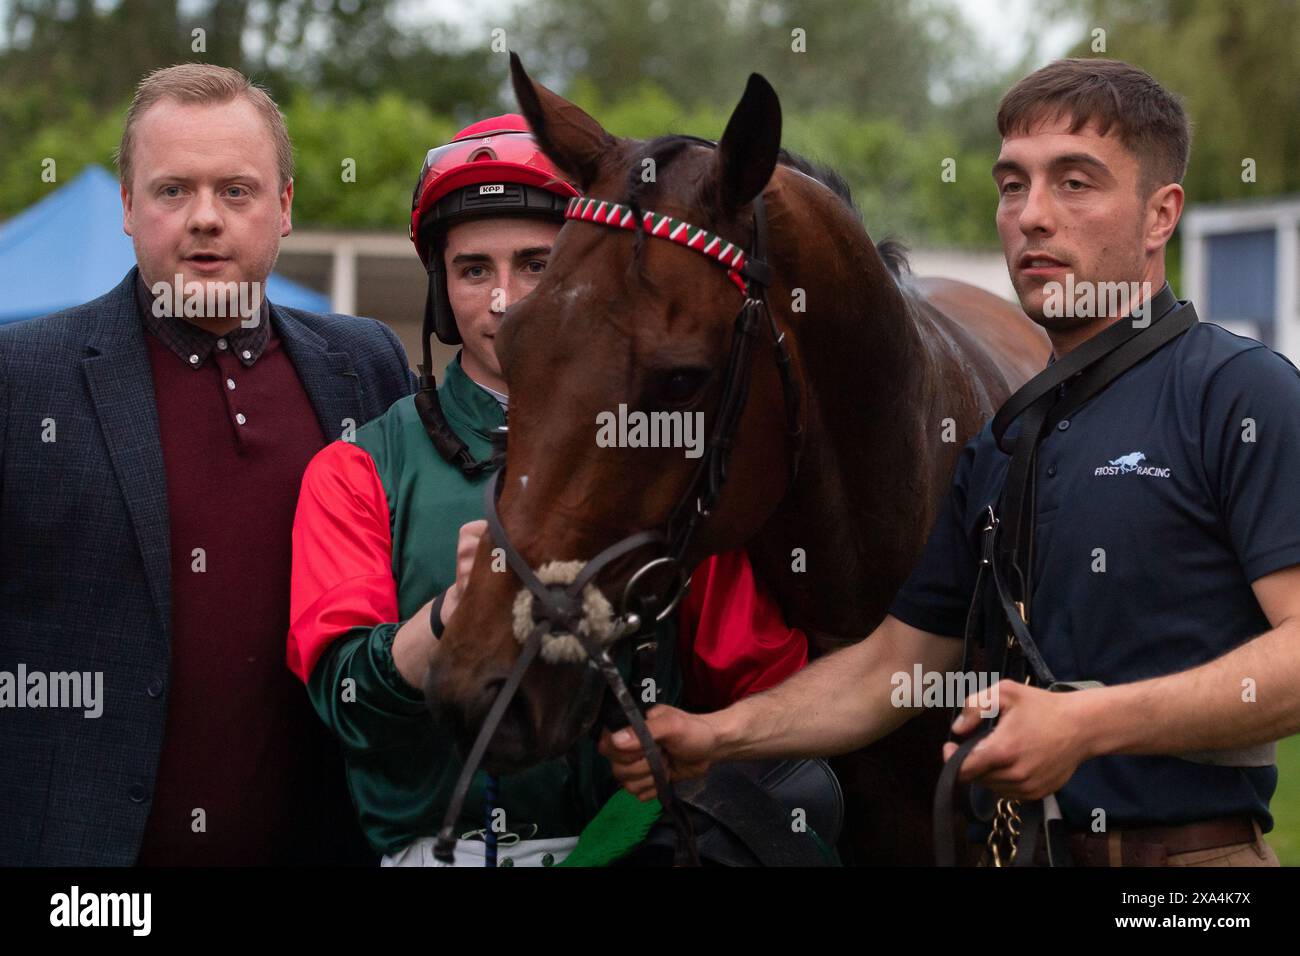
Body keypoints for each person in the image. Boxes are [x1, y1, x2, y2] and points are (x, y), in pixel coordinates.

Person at [602, 58, 1300, 868]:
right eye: (1012, 185)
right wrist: (718, 734)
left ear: (1159, 214)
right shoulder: (1006, 439)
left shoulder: (1239, 392)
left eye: (1075, 183)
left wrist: (1086, 725)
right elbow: (891, 667)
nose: (1032, 216)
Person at [288, 115, 811, 867]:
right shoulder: (355, 468)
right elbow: (347, 708)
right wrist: (450, 616)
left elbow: (763, 688)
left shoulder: (667, 460)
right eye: (474, 271)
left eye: (536, 265)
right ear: (441, 289)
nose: (504, 301)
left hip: (635, 848)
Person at [0, 63, 414, 866]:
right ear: (126, 205)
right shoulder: (21, 379)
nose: (204, 220)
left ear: (284, 207)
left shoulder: (366, 365)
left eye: (236, 191)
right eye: (171, 191)